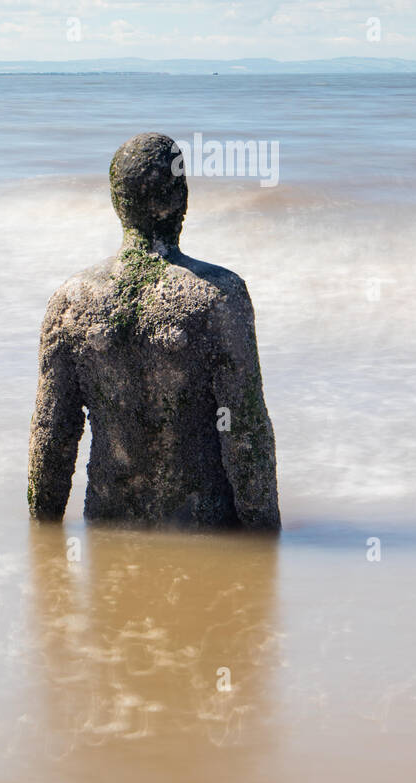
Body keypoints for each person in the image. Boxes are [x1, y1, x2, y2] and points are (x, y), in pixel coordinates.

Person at [27, 131, 280, 530]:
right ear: (182, 200)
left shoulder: (71, 301)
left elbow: (53, 434)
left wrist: (44, 546)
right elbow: (245, 432)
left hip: (110, 532)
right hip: (205, 534)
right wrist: (265, 548)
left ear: (116, 202)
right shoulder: (219, 298)